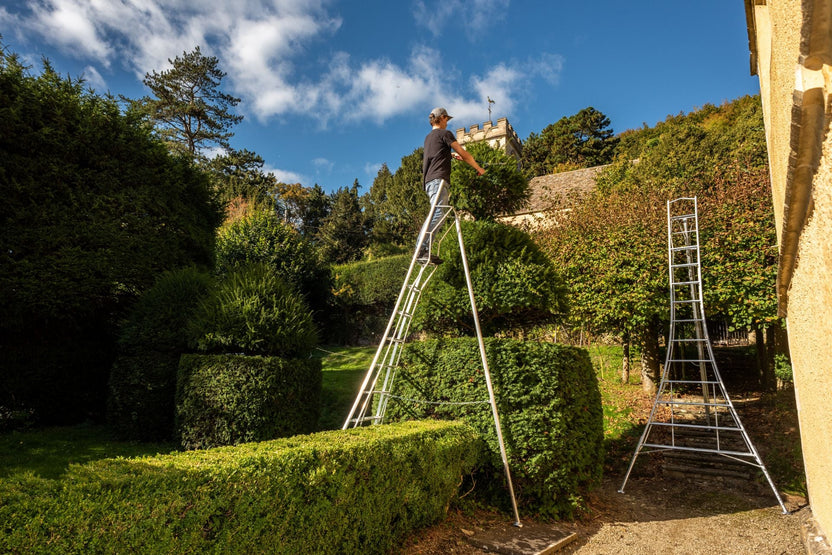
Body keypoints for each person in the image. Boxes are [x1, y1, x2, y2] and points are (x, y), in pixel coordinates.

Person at [418, 107, 485, 264]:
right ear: (441, 118)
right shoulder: (445, 134)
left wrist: (450, 155)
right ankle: (421, 250)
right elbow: (463, 152)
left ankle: (423, 250)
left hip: (430, 181)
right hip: (439, 180)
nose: (447, 124)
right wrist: (479, 168)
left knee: (437, 214)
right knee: (437, 214)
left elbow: (436, 154)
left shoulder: (429, 138)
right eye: (446, 120)